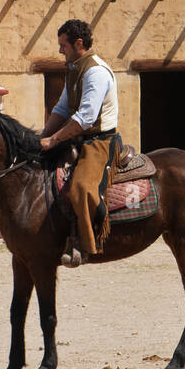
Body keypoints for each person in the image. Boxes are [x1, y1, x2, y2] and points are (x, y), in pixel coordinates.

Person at [40, 19, 122, 266]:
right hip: (77, 136)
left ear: (78, 44)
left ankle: (85, 246)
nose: (59, 50)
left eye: (63, 45)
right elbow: (63, 108)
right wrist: (43, 137)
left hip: (99, 141)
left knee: (81, 187)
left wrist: (54, 139)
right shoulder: (75, 69)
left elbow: (85, 117)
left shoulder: (95, 71)